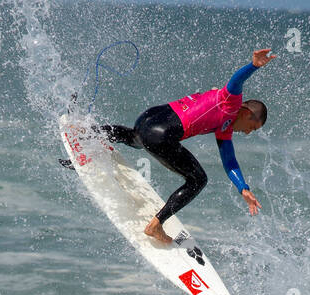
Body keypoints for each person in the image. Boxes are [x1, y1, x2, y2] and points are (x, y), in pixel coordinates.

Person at [82, 48, 275, 245]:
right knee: (198, 180)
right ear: (247, 114)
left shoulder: (225, 128)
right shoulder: (231, 102)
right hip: (161, 136)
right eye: (252, 127)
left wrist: (243, 188)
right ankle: (156, 225)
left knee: (135, 138)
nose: (248, 132)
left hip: (147, 119)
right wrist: (253, 66)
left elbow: (229, 159)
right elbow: (236, 81)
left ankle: (89, 132)